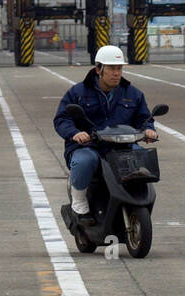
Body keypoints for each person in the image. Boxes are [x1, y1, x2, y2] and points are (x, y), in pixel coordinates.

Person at [53, 45, 157, 220]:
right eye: (111, 69)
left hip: (122, 146)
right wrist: (74, 133)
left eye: (119, 69)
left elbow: (144, 118)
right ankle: (78, 200)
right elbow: (62, 119)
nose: (116, 73)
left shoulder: (134, 94)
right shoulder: (77, 93)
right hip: (88, 146)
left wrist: (149, 130)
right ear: (98, 69)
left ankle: (137, 201)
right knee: (85, 160)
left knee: (143, 160)